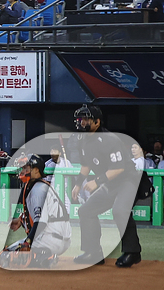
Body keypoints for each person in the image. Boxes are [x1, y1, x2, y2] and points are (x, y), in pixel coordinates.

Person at [71, 104, 143, 268]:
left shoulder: (110, 139)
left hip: (127, 180)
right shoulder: (82, 140)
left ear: (97, 122)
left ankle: (132, 252)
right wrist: (77, 184)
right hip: (110, 183)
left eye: (86, 119)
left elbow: (119, 168)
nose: (82, 123)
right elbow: (85, 166)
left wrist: (96, 181)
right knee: (85, 211)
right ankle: (94, 253)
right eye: (81, 119)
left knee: (120, 210)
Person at [3, 154, 71, 268]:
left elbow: (41, 223)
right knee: (9, 253)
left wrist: (28, 242)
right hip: (56, 236)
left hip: (52, 239)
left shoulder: (38, 190)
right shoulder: (37, 186)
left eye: (26, 168)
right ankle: (41, 255)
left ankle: (43, 256)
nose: (23, 171)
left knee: (7, 256)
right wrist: (21, 220)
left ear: (36, 170)